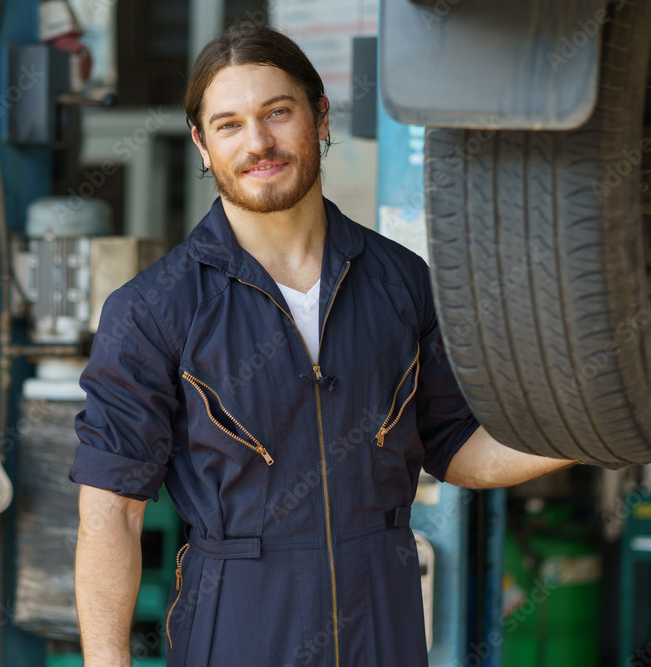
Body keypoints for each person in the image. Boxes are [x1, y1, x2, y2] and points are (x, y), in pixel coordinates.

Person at [69, 21, 576, 667]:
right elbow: (111, 511)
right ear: (201, 143)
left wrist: (598, 432)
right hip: (239, 625)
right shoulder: (153, 310)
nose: (258, 142)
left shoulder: (402, 282)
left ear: (320, 116)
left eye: (277, 112)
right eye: (229, 124)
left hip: (384, 621)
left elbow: (456, 447)